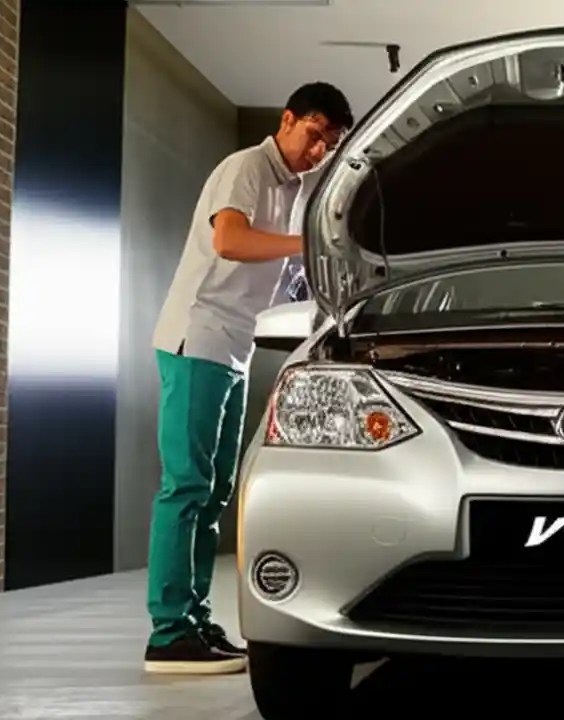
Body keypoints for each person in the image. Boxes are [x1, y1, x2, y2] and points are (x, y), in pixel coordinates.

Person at [143, 82, 354, 675]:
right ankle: (166, 633)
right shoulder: (246, 168)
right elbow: (229, 239)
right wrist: (307, 244)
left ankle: (194, 620)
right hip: (197, 339)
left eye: (329, 144)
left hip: (235, 349)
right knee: (185, 486)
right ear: (287, 120)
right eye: (315, 135)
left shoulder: (294, 189)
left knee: (214, 494)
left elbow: (286, 272)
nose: (319, 152)